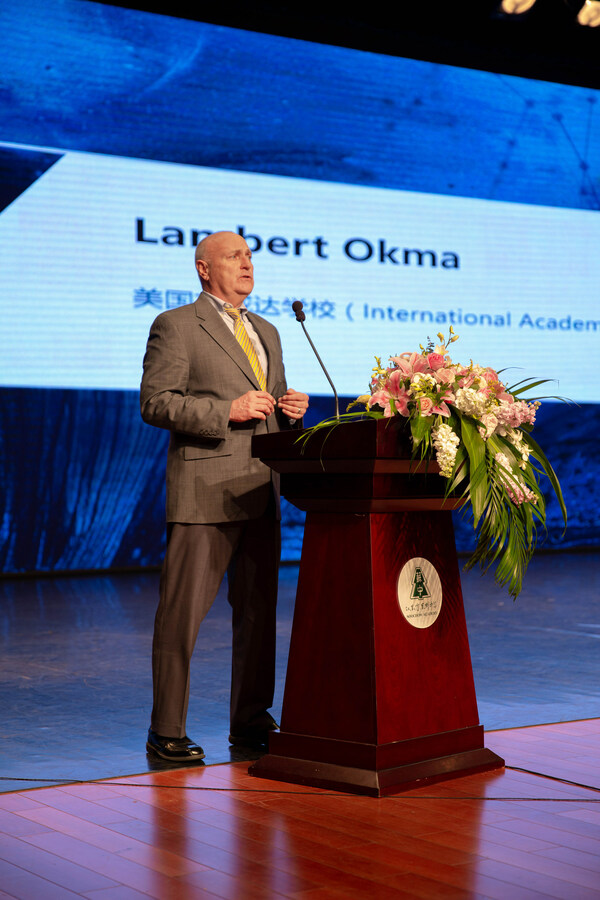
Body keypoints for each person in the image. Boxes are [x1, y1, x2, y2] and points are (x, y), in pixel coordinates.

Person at [140, 231, 309, 762]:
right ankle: (166, 729)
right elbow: (156, 402)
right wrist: (225, 412)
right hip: (204, 489)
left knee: (258, 614)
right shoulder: (176, 325)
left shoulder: (268, 330)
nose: (247, 264)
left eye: (250, 256)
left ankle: (251, 722)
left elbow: (267, 406)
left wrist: (290, 407)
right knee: (181, 615)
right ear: (204, 269)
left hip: (261, 488)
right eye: (235, 256)